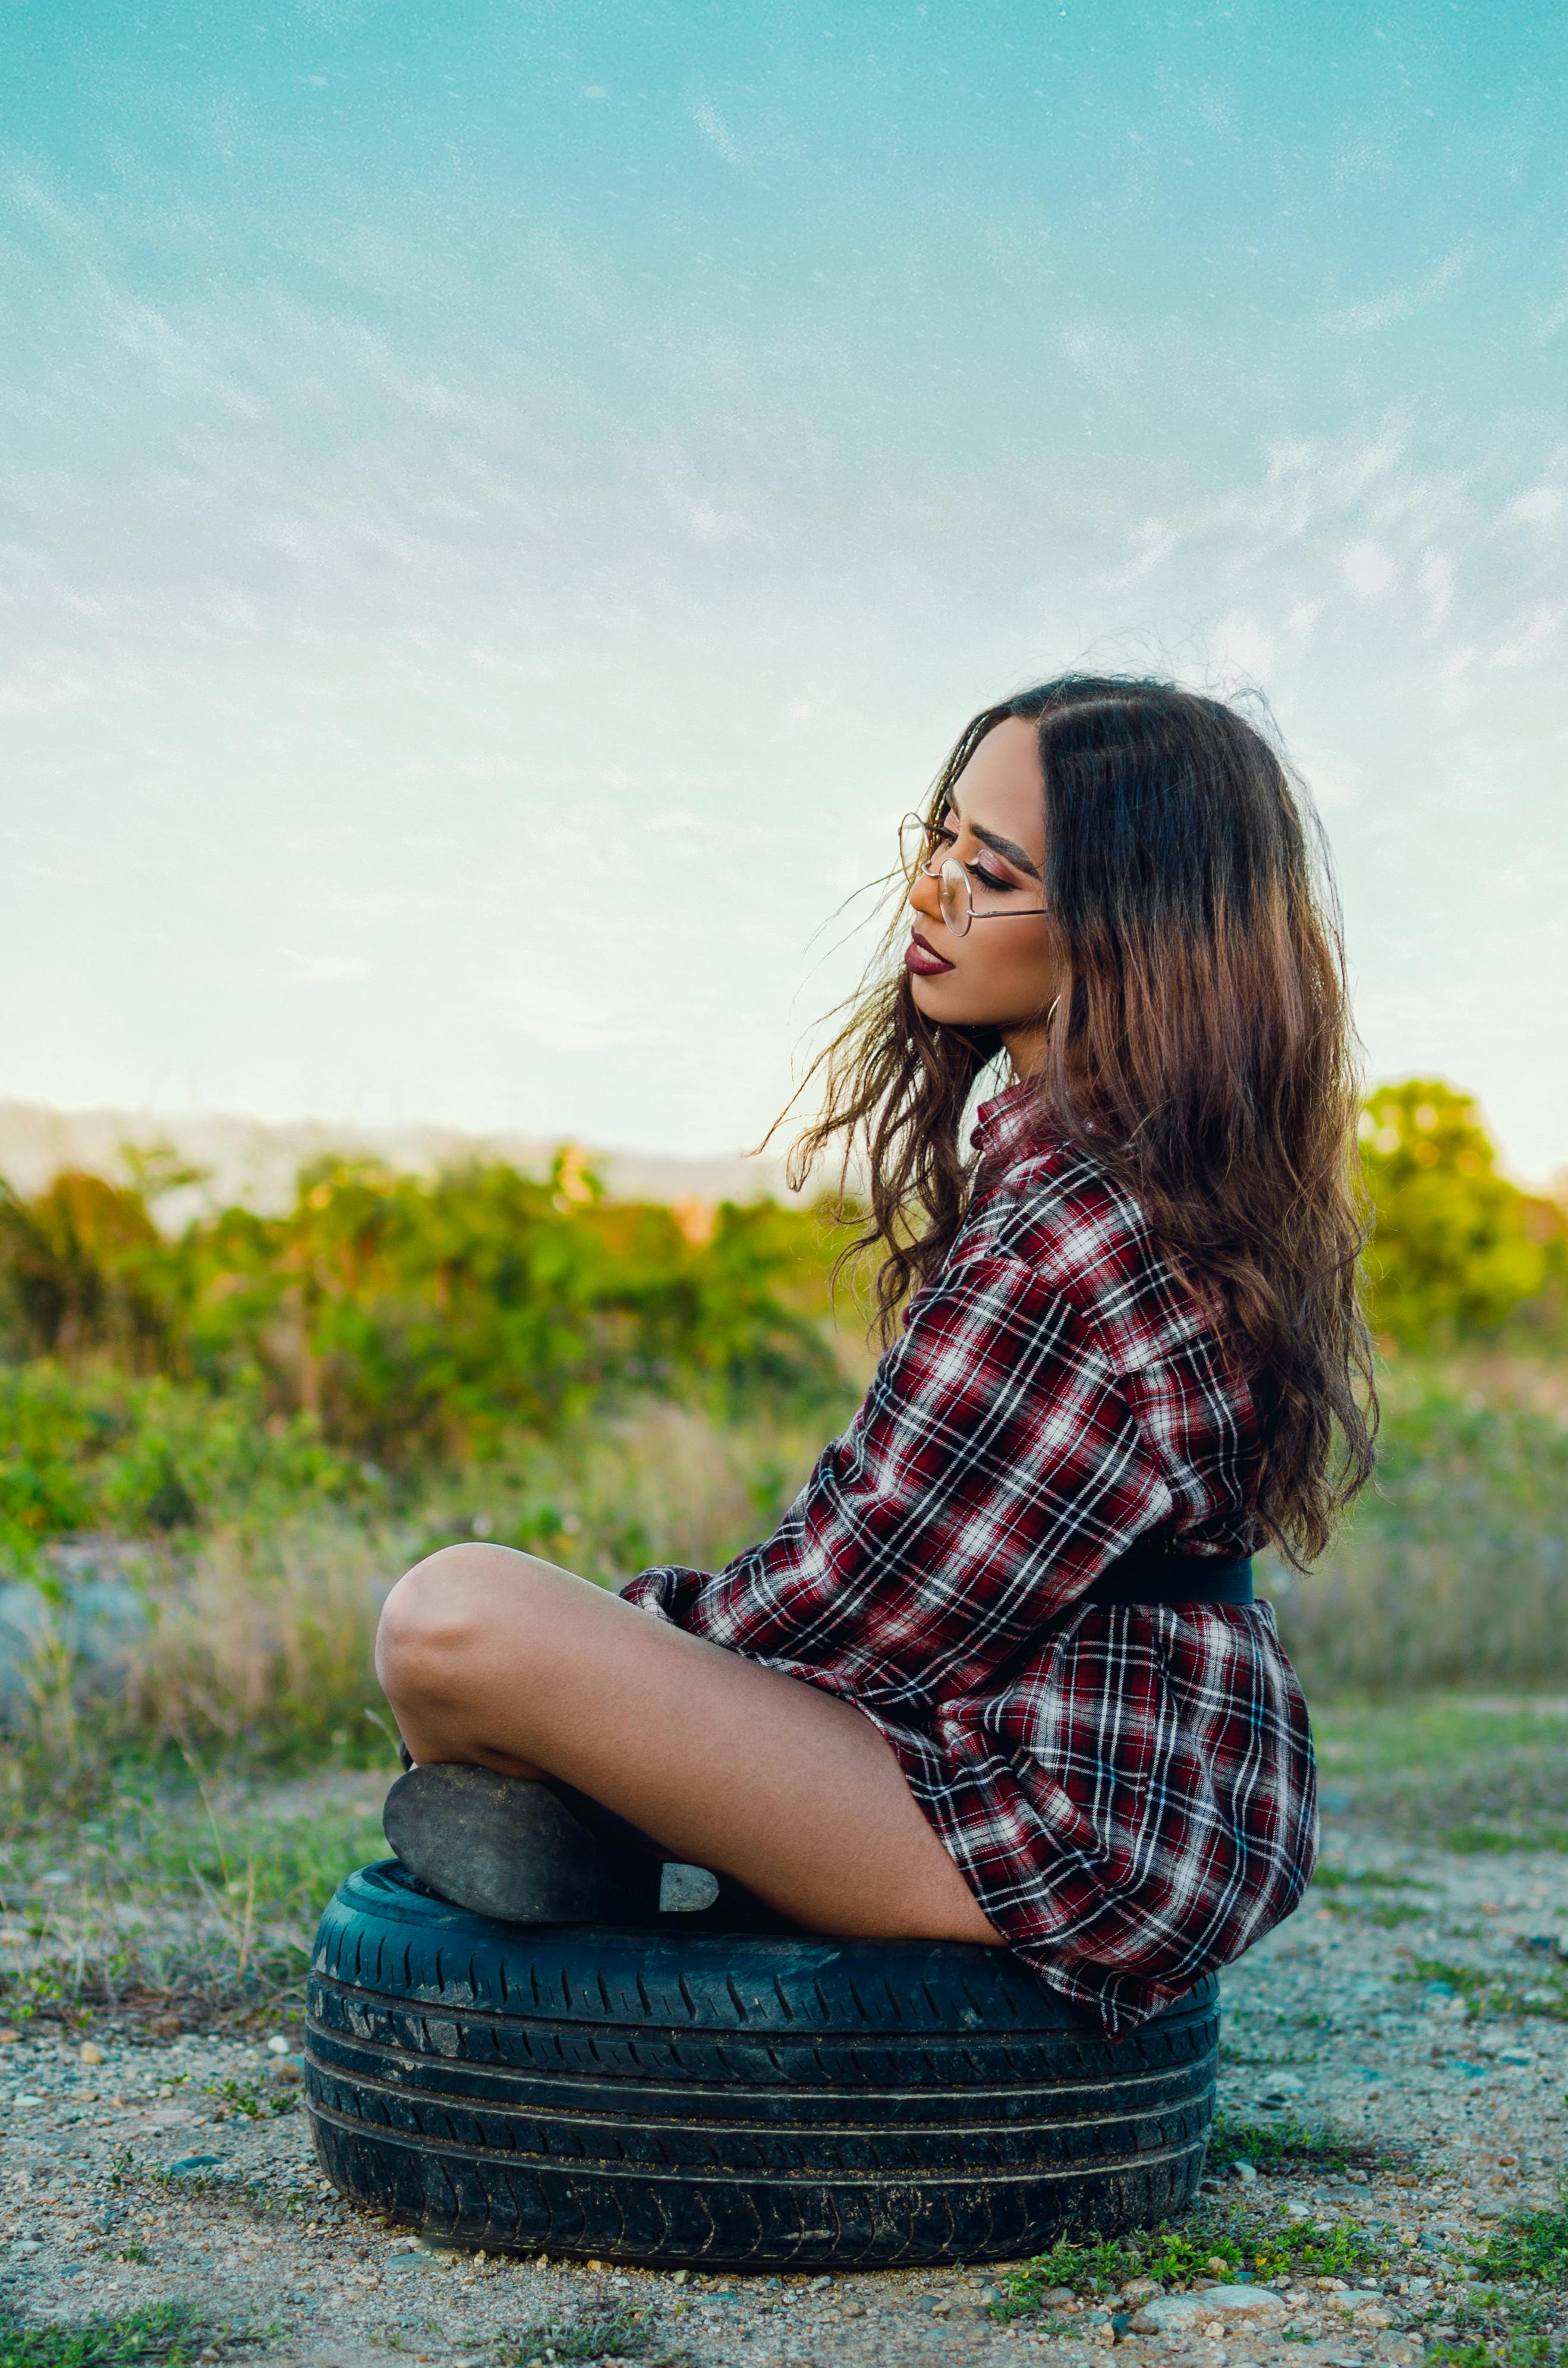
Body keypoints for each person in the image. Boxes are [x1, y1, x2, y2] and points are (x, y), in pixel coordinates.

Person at [375, 675, 1376, 2037]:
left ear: (1131, 927)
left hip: (1050, 1829)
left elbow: (856, 1604)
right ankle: (633, 1841)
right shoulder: (1155, 1177)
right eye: (938, 843)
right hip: (1094, 1799)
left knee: (453, 1623)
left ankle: (611, 1841)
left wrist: (608, 1668)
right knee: (531, 1663)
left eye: (990, 871)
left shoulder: (1074, 1225)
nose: (929, 894)